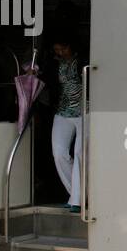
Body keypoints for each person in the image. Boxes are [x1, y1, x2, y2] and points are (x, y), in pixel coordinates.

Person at [50, 39, 83, 213]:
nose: (60, 52)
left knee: (79, 153)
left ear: (71, 46)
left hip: (86, 111)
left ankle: (76, 200)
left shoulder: (83, 59)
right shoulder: (54, 63)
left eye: (63, 48)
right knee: (59, 153)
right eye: (57, 49)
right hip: (63, 111)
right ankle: (77, 194)